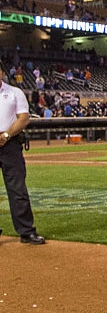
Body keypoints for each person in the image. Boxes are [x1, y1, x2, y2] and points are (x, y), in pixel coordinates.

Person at [0, 68, 45, 244]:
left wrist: (5, 136)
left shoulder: (15, 92)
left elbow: (23, 119)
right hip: (7, 141)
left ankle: (26, 231)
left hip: (10, 143)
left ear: (2, 72)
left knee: (17, 189)